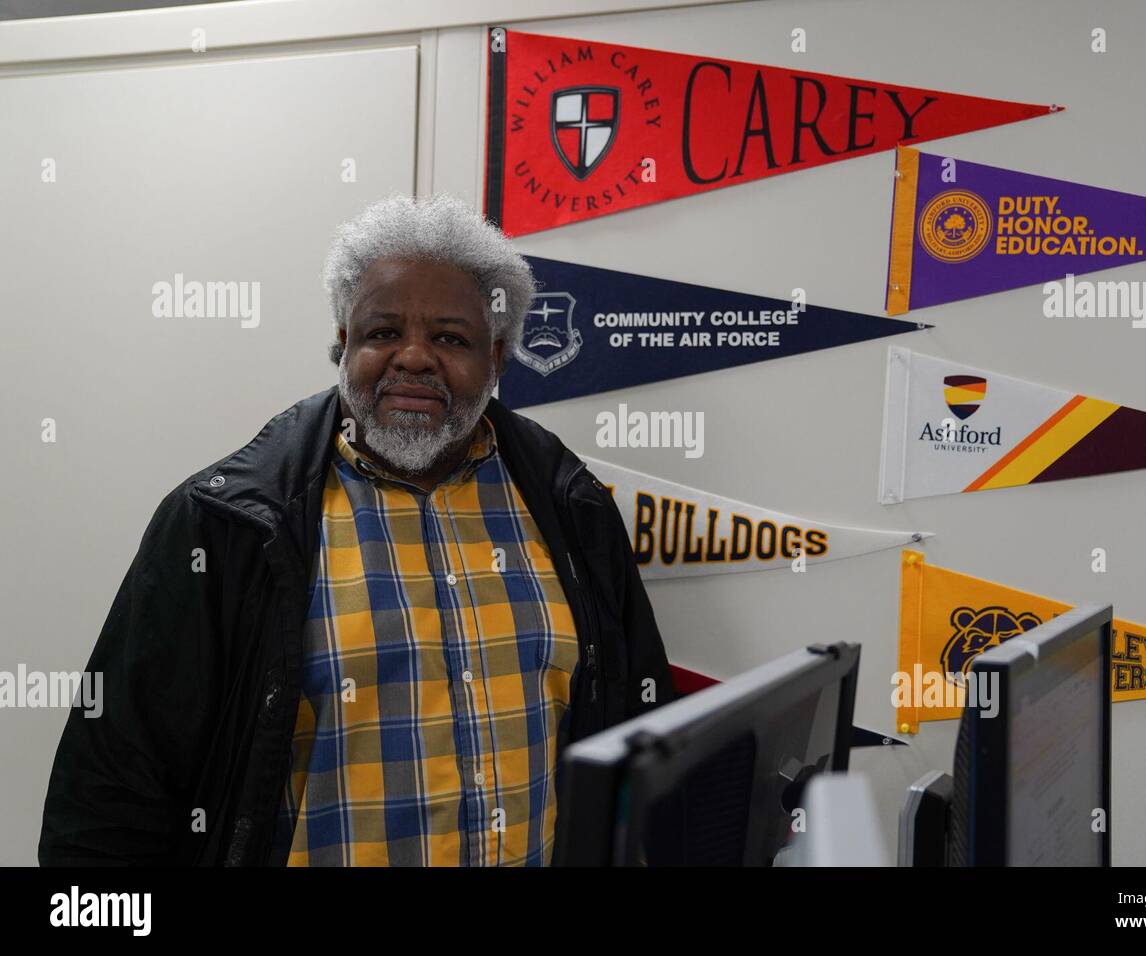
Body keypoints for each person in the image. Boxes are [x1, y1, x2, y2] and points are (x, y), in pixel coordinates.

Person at [39, 194, 673, 866]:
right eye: (382, 333)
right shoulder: (224, 524)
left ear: (499, 356)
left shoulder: (571, 509)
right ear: (343, 344)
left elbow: (644, 745)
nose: (413, 358)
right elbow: (110, 792)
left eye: (451, 339)